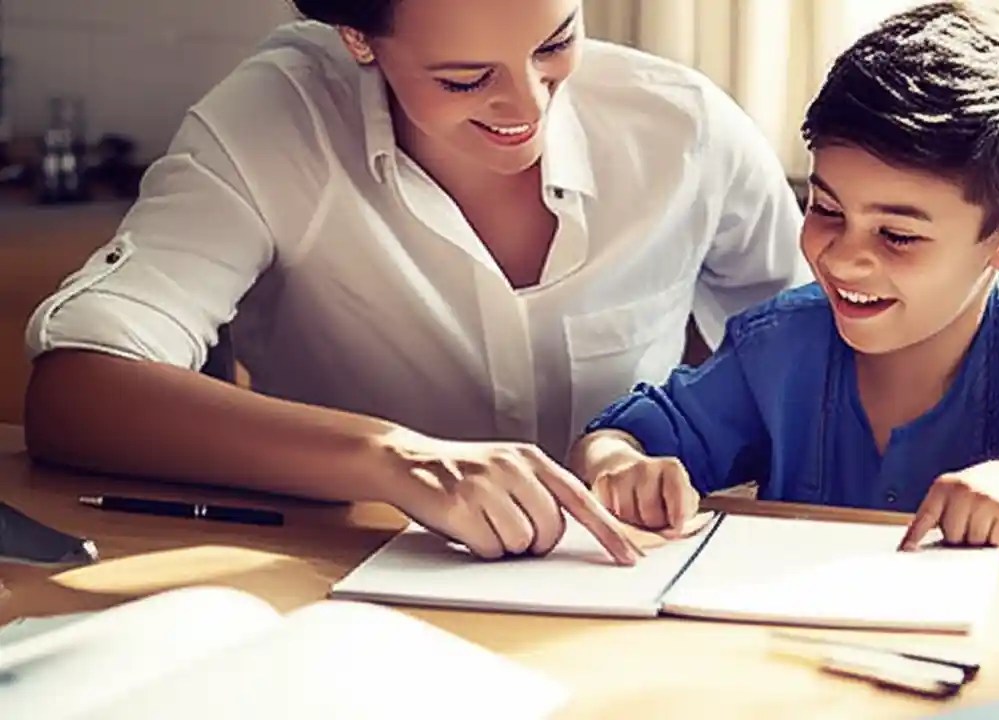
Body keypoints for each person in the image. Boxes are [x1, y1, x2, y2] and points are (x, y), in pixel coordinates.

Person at [22, 0, 808, 563]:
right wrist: (394, 459)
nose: (526, 104)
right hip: (339, 591)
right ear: (358, 38)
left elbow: (822, 356)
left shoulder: (683, 126)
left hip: (630, 584)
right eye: (466, 79)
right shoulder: (269, 125)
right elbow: (75, 395)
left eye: (555, 43)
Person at [569, 1, 999, 550]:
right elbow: (616, 439)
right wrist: (620, 467)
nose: (841, 257)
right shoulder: (779, 347)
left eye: (897, 235)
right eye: (826, 208)